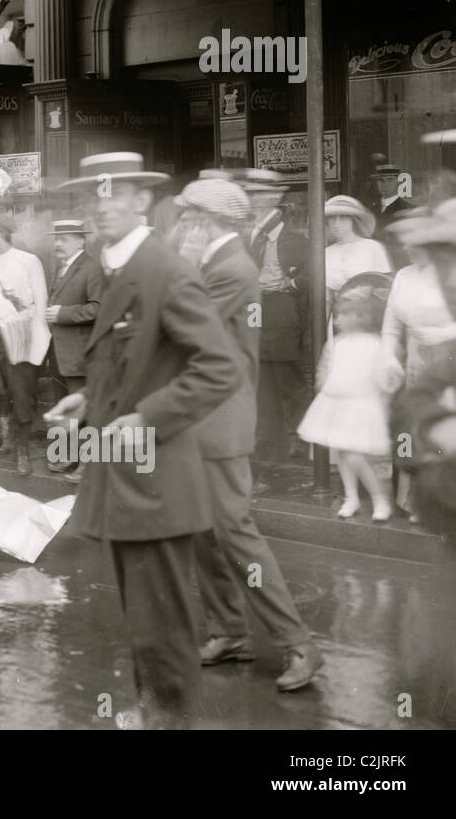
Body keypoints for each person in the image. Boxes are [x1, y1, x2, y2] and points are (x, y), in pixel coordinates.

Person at [46, 152, 241, 729]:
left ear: (141, 201)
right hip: (125, 474)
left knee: (163, 619)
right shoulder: (115, 267)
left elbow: (219, 367)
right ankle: (156, 712)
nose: (99, 203)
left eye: (114, 193)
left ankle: (169, 721)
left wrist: (147, 418)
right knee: (143, 614)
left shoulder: (163, 270)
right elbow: (134, 362)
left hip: (156, 477)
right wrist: (87, 401)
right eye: (91, 194)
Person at [175, 178, 323, 692]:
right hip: (197, 421)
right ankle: (229, 632)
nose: (181, 226)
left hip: (219, 421)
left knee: (235, 533)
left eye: (187, 216)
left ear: (205, 220)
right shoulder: (214, 264)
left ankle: (298, 643)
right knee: (202, 532)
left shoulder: (232, 269)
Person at [297, 278, 397, 521]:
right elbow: (328, 370)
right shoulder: (339, 343)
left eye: (342, 316)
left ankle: (379, 499)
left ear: (358, 317)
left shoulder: (374, 345)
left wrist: (382, 398)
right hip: (338, 402)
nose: (337, 321)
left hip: (361, 405)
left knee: (355, 455)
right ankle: (350, 497)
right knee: (342, 451)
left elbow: (382, 378)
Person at [381, 229, 456, 520]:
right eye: (407, 242)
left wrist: (440, 334)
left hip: (449, 360)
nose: (409, 247)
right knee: (413, 428)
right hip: (415, 358)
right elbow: (392, 324)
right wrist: (389, 356)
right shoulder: (403, 276)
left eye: (418, 242)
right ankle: (415, 501)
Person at [240, 170, 310, 460]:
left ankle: (302, 437)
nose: (254, 201)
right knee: (263, 385)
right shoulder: (249, 237)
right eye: (252, 194)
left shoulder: (295, 240)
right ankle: (272, 444)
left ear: (275, 199)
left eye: (260, 195)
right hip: (255, 316)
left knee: (289, 381)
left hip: (282, 315)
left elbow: (312, 275)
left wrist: (288, 283)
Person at [0, 214, 51, 475]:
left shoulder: (28, 261)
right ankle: (1, 438)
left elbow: (41, 301)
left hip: (21, 331)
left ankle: (22, 451)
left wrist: (38, 341)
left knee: (21, 393)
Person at [44, 218, 102, 477]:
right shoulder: (64, 267)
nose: (58, 243)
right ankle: (67, 457)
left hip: (80, 354)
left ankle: (87, 465)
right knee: (66, 408)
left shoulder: (91, 267)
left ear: (80, 240)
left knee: (84, 411)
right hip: (61, 352)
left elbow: (99, 307)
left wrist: (63, 314)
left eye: (64, 238)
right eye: (56, 238)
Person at [324, 195, 392, 311]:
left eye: (343, 218)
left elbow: (386, 286)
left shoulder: (373, 247)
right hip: (337, 315)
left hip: (369, 315)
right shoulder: (326, 253)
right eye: (332, 218)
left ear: (354, 221)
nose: (336, 223)